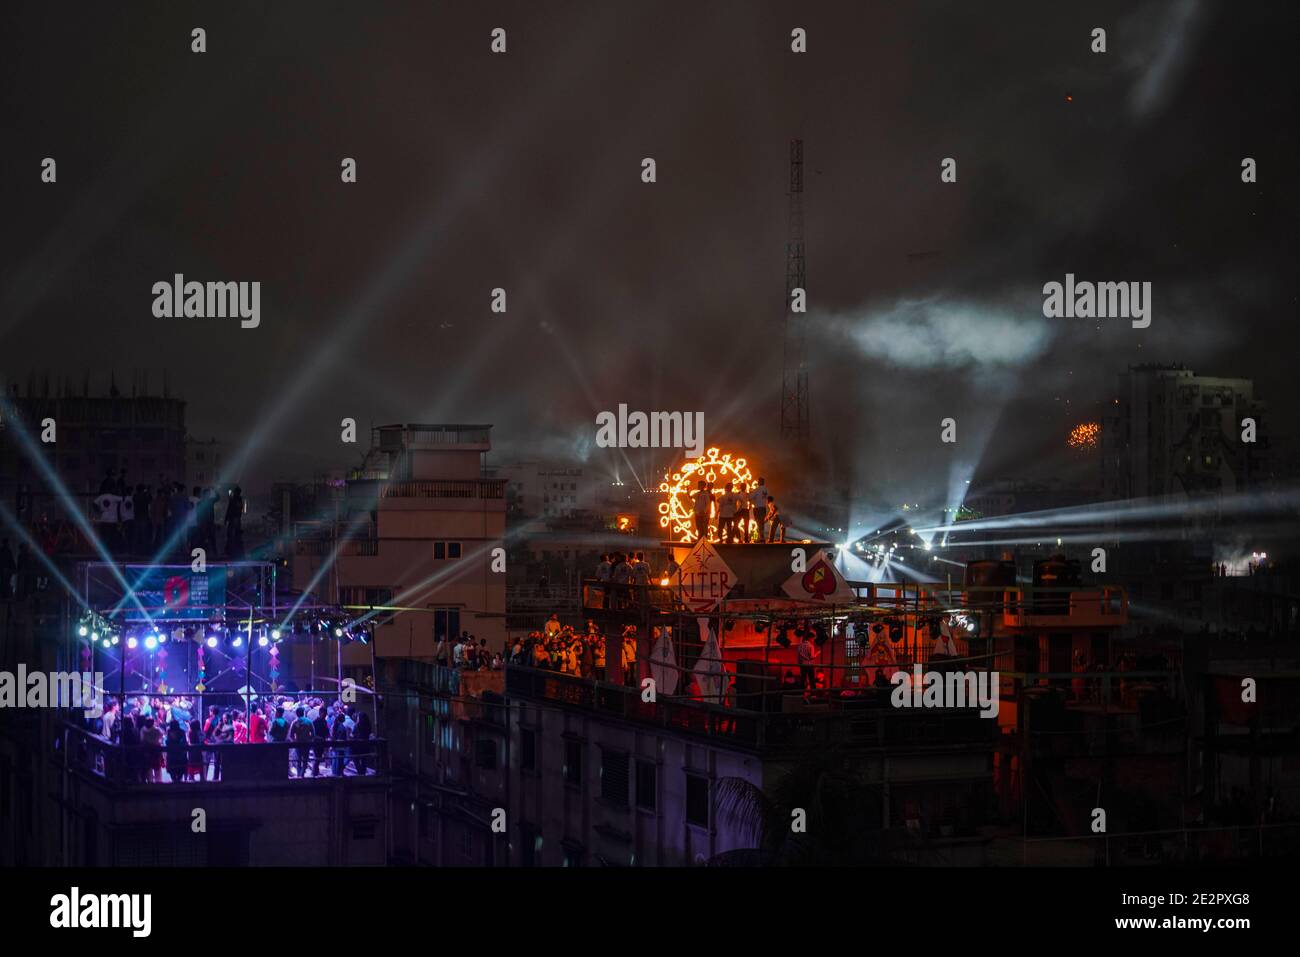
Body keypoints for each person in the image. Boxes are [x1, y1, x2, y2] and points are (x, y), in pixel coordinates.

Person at [290, 706, 314, 777]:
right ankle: (302, 773)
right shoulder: (309, 721)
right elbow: (313, 733)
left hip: (298, 743)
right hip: (307, 743)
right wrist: (310, 739)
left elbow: (291, 735)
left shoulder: (294, 722)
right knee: (305, 759)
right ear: (303, 713)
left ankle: (298, 775)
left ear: (296, 714)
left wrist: (295, 741)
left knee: (299, 759)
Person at [165, 719, 188, 783]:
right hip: (180, 755)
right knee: (180, 769)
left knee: (172, 770)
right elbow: (184, 742)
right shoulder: (182, 732)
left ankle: (174, 782)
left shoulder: (169, 731)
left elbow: (167, 742)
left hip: (171, 755)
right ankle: (179, 782)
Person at [352, 710, 372, 776]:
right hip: (365, 745)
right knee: (364, 759)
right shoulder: (368, 726)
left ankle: (360, 772)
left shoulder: (357, 726)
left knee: (355, 758)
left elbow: (353, 734)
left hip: (357, 746)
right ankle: (362, 772)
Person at [749, 478, 769, 542]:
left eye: (758, 481)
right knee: (762, 523)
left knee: (758, 523)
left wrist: (750, 492)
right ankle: (762, 537)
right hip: (763, 508)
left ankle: (760, 538)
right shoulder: (766, 489)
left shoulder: (757, 489)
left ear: (759, 482)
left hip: (757, 508)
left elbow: (750, 497)